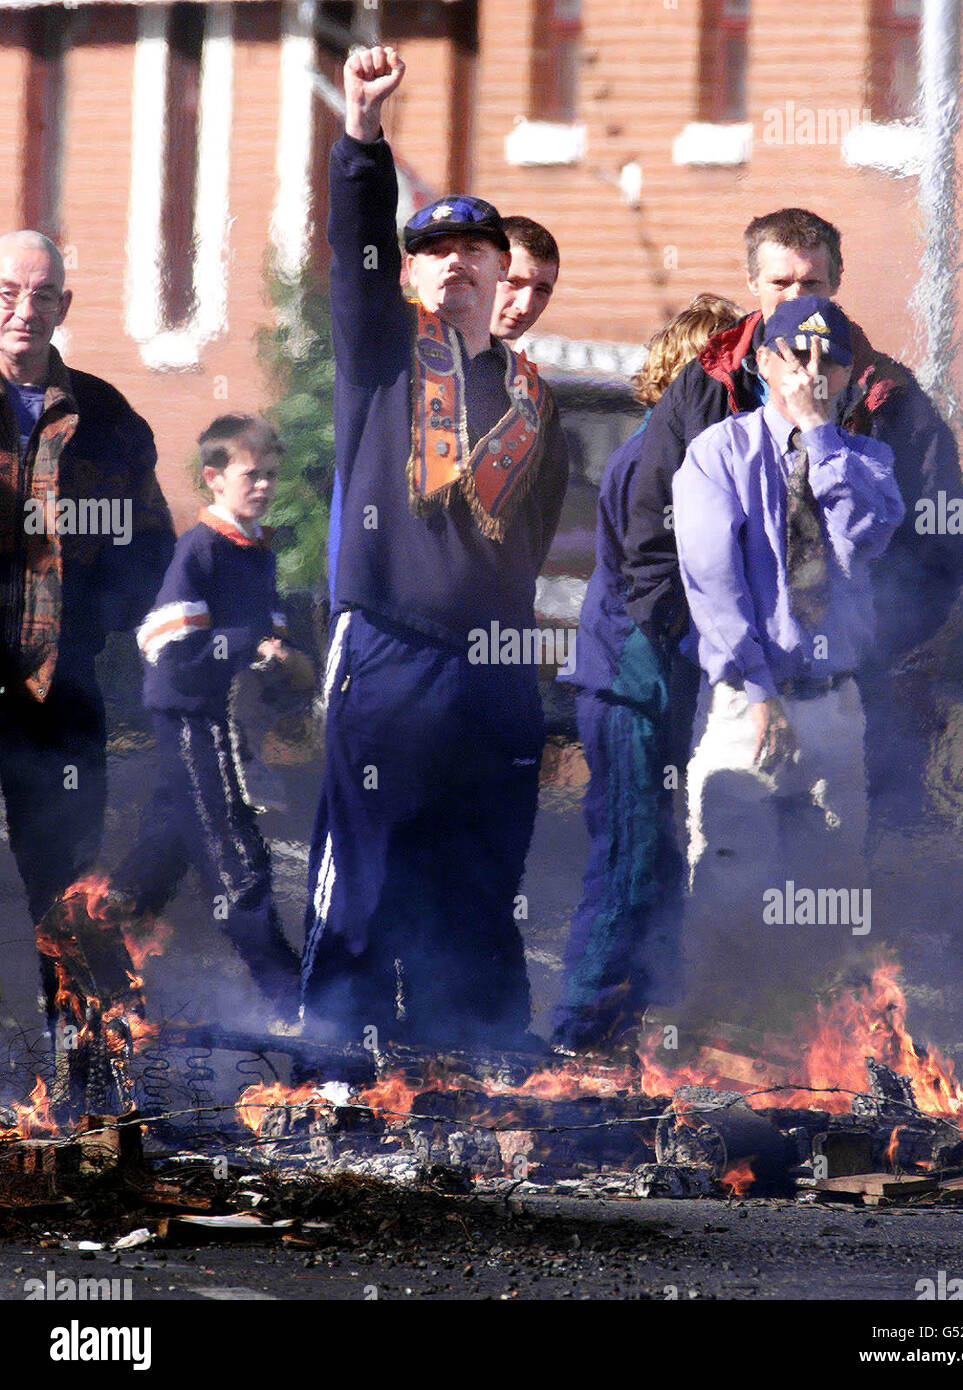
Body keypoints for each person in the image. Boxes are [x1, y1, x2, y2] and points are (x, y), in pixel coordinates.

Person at [302, 47, 569, 1051]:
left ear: (505, 274)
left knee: (481, 875)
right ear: (411, 273)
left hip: (492, 668)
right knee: (365, 871)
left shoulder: (543, 408)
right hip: (390, 652)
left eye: (479, 250)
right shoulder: (381, 356)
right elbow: (354, 240)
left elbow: (528, 555)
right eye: (437, 251)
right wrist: (363, 135)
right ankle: (334, 1062)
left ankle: (480, 1062)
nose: (458, 262)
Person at [623, 209, 963, 831]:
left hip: (847, 686)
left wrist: (870, 645)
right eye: (780, 283)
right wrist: (714, 654)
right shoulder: (705, 387)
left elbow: (940, 545)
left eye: (811, 284)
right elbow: (654, 537)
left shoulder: (887, 395)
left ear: (836, 283)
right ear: (752, 282)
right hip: (730, 685)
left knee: (835, 875)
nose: (795, 297)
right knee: (726, 877)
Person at [672, 298, 905, 1021]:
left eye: (827, 360)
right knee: (729, 878)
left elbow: (862, 535)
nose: (811, 372)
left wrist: (820, 437)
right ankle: (716, 1038)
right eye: (794, 356)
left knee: (829, 888)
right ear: (763, 362)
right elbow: (713, 582)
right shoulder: (718, 453)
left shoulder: (867, 459)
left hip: (832, 702)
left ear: (847, 374)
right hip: (751, 701)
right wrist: (759, 686)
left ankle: (810, 1046)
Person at [551, 295, 741, 1055]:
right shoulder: (650, 457)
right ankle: (576, 1033)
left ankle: (631, 1028)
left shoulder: (693, 453)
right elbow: (652, 574)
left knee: (659, 862)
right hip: (629, 682)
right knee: (629, 860)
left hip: (654, 682)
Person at [0, 229, 174, 1018]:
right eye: (8, 293)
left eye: (42, 296)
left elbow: (154, 553)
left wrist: (111, 633)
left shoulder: (106, 418)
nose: (24, 312)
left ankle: (82, 1087)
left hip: (60, 697)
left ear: (63, 305)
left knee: (68, 896)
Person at [106, 415, 308, 1020]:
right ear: (214, 479)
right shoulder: (200, 549)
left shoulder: (257, 552)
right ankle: (294, 1002)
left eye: (273, 475)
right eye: (253, 475)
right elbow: (167, 642)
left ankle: (97, 929)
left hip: (229, 719)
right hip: (193, 717)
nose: (266, 486)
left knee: (169, 838)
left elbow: (268, 642)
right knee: (235, 860)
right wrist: (248, 647)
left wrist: (285, 668)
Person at [326, 213, 560, 601]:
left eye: (542, 290)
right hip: (386, 611)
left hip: (481, 624)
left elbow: (538, 528)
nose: (525, 304)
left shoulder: (533, 398)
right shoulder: (403, 356)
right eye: (515, 283)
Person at [490, 216, 560, 342]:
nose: (525, 307)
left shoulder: (507, 359)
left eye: (541, 291)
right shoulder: (444, 355)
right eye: (513, 282)